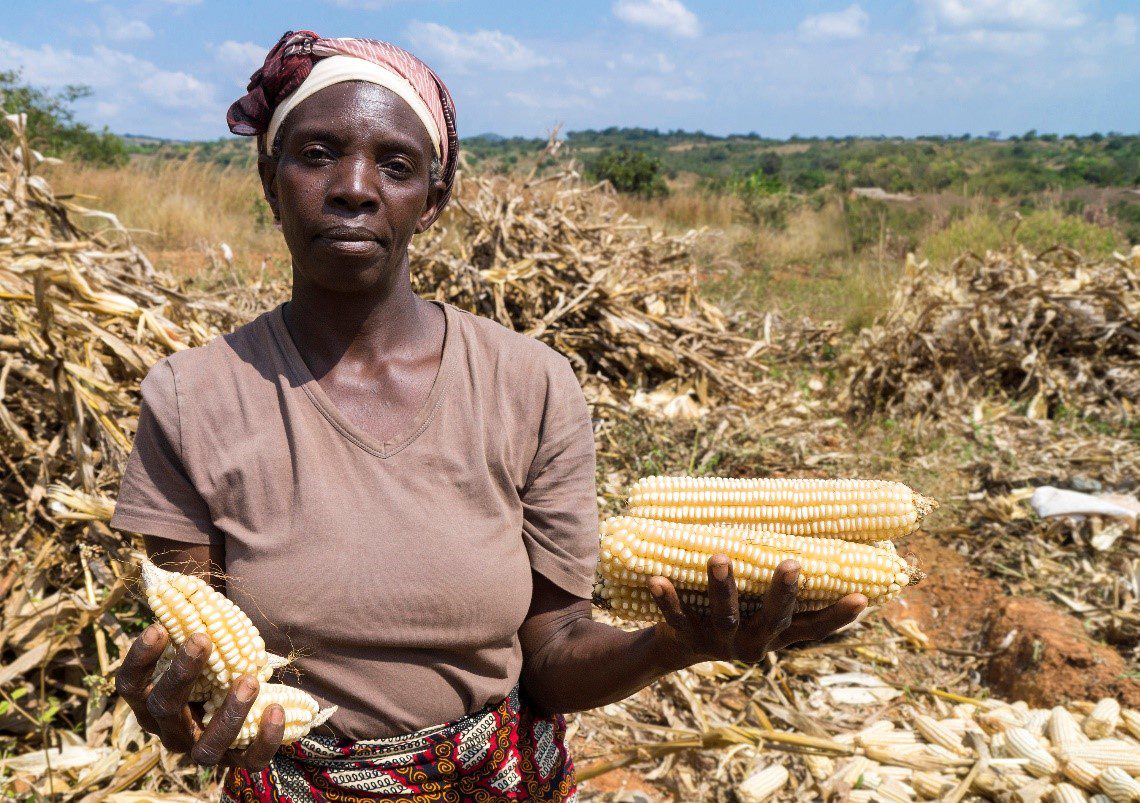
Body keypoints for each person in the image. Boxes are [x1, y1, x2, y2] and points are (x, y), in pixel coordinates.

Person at [111, 30, 867, 802]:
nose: (354, 187)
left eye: (396, 165)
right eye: (316, 154)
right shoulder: (191, 397)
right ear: (270, 182)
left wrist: (670, 645)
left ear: (433, 200)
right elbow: (204, 658)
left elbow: (554, 654)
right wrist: (187, 703)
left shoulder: (530, 385)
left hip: (499, 780)